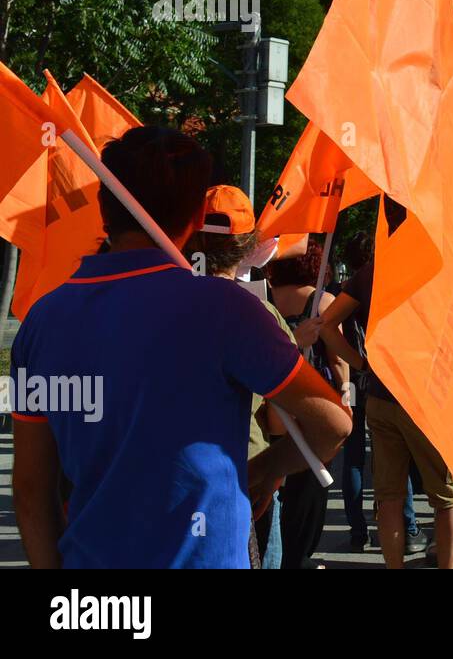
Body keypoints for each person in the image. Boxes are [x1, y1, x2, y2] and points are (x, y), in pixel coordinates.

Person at [10, 126, 350, 568]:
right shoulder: (228, 311)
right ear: (194, 218)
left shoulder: (43, 321)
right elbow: (334, 426)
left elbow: (32, 489)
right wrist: (266, 470)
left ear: (103, 209)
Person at [183, 185, 314, 568]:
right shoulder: (260, 316)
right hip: (247, 474)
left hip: (174, 477)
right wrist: (273, 473)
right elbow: (285, 418)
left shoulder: (157, 306)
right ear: (247, 246)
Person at [319, 258, 453, 569]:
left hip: (381, 394)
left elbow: (328, 325)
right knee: (447, 497)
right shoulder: (441, 261)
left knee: (388, 496)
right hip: (429, 397)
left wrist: (363, 366)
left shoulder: (374, 269)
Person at [264, 241, 343, 569]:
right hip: (313, 407)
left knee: (277, 490)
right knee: (310, 488)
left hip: (274, 408)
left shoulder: (263, 301)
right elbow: (340, 364)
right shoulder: (324, 302)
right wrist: (345, 401)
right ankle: (298, 556)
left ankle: (284, 555)